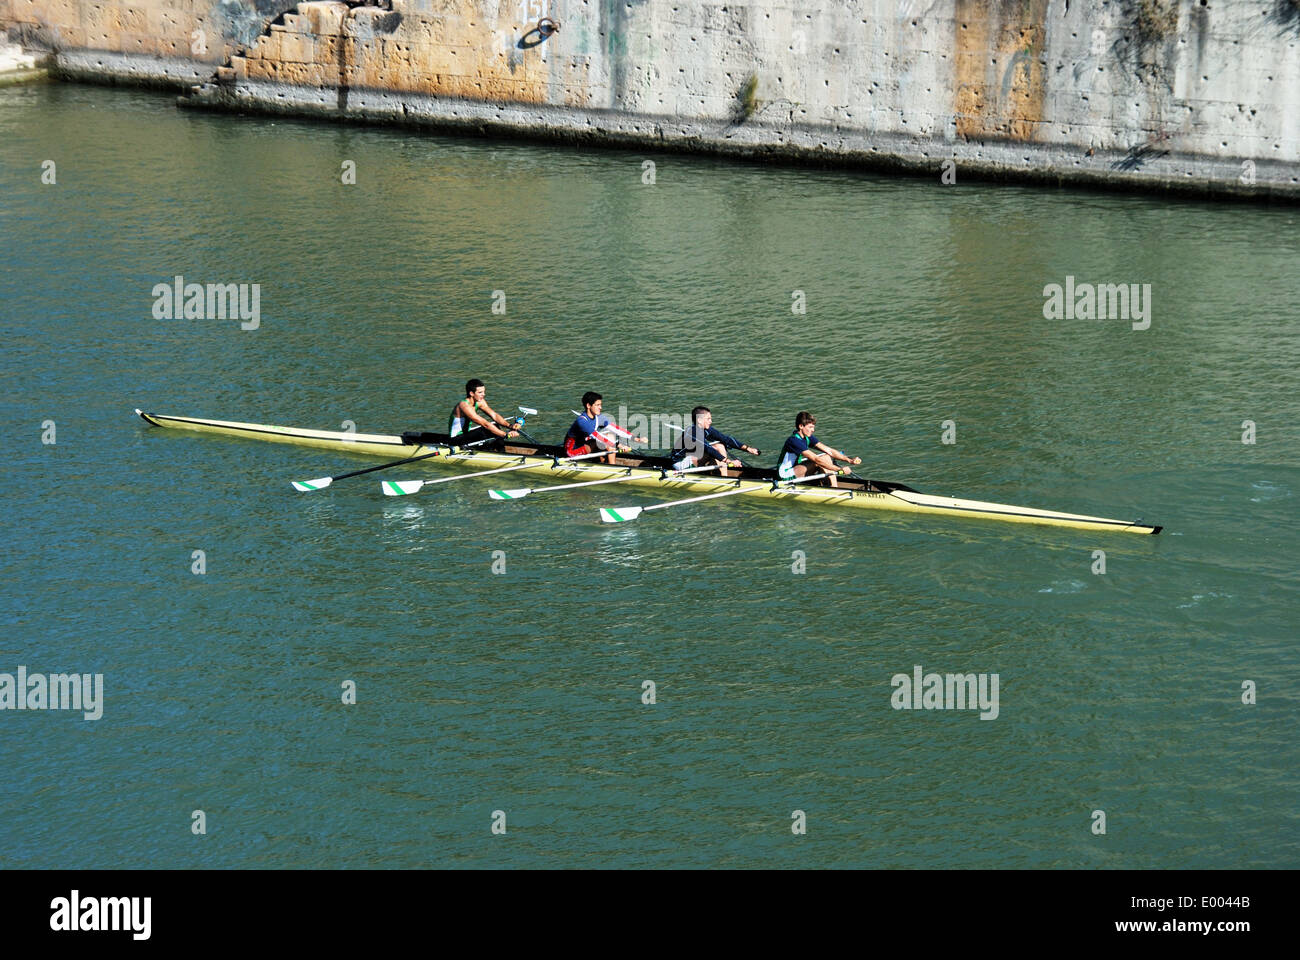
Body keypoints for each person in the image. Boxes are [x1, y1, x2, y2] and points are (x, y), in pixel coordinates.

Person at [777, 411, 860, 489]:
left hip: (796, 469)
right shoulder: (793, 441)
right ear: (801, 426)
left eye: (813, 427)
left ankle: (831, 485)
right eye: (810, 427)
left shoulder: (807, 437)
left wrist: (849, 460)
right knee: (821, 460)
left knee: (826, 456)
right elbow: (816, 459)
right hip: (785, 475)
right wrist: (839, 470)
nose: (813, 430)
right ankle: (834, 489)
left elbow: (829, 450)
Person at [671, 406, 760, 477]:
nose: (711, 421)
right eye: (708, 419)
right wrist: (729, 461)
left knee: (720, 445)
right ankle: (724, 478)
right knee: (718, 447)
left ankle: (717, 474)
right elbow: (708, 449)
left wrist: (748, 449)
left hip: (692, 457)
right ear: (699, 420)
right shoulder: (692, 432)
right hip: (680, 463)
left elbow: (726, 439)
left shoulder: (706, 429)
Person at [565, 391, 647, 464]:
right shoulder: (582, 421)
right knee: (604, 442)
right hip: (573, 451)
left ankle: (609, 464)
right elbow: (597, 437)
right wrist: (619, 445)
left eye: (600, 405)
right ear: (588, 405)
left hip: (587, 443)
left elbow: (616, 429)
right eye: (597, 405)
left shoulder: (599, 417)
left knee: (611, 435)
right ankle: (611, 467)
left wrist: (636, 439)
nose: (600, 408)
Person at [448, 379, 521, 444]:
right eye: (480, 392)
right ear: (471, 393)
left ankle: (499, 451)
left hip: (466, 435)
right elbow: (485, 424)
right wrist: (505, 434)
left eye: (484, 392)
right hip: (455, 439)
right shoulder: (464, 406)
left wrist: (510, 426)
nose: (483, 394)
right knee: (486, 430)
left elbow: (494, 415)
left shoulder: (480, 402)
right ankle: (499, 452)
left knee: (495, 426)